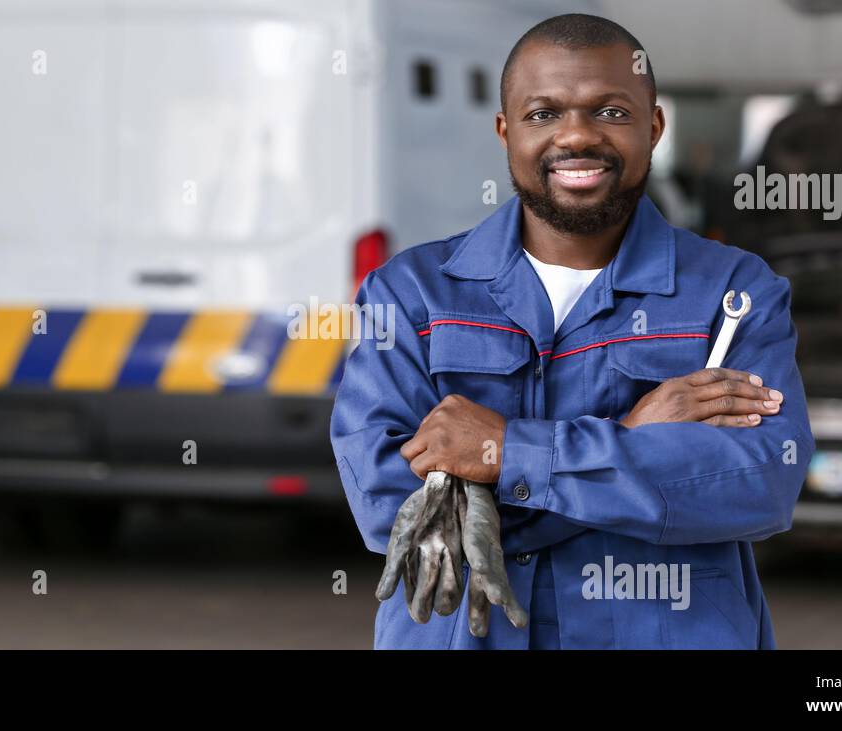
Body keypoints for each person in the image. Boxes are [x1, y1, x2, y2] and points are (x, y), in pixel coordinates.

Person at [329, 13, 813, 649]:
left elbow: (758, 484)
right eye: (543, 114)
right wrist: (632, 440)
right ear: (505, 132)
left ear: (654, 126)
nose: (577, 136)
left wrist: (505, 454)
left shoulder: (732, 295)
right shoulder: (412, 294)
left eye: (611, 112)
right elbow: (393, 512)